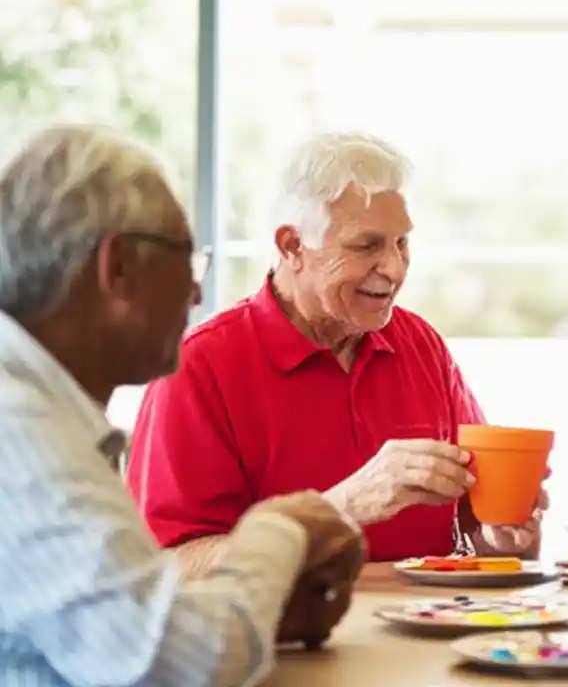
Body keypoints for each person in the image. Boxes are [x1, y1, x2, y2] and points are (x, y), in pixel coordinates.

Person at [0, 125, 365, 685]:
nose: (196, 294)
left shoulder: (43, 418)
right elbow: (173, 666)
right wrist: (280, 527)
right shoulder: (20, 434)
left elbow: (136, 625)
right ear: (117, 266)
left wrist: (253, 611)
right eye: (188, 260)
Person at [126, 131, 543, 567]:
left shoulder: (421, 345)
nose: (394, 269)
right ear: (292, 246)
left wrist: (499, 537)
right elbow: (168, 569)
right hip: (280, 633)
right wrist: (341, 508)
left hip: (427, 627)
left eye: (402, 243)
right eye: (367, 246)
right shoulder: (200, 365)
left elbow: (476, 531)